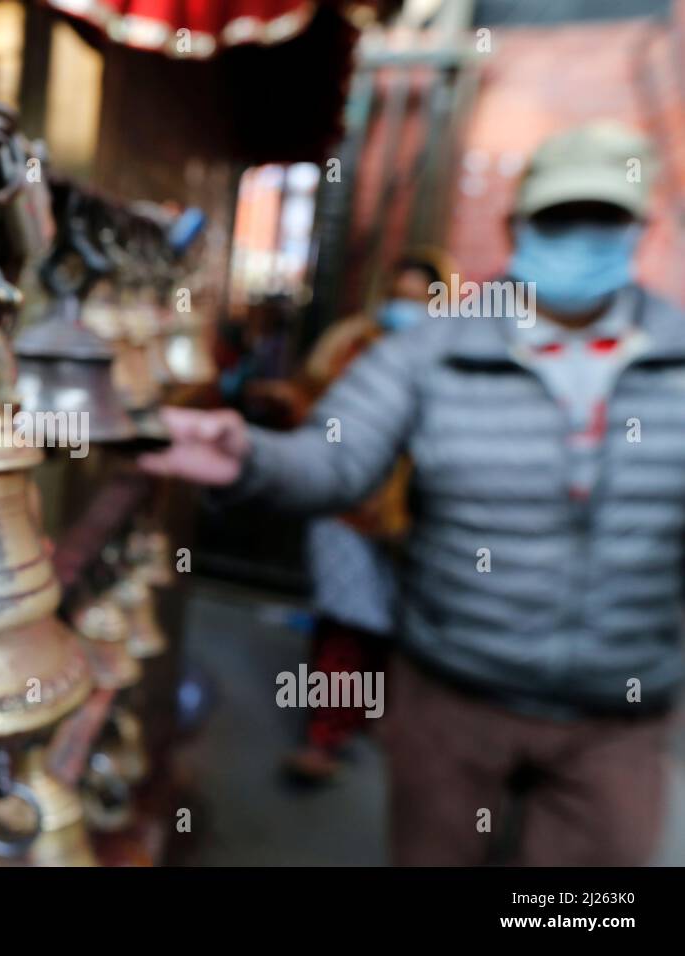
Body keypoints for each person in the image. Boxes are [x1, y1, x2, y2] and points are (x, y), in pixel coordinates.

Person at [141, 121, 680, 866]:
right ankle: (333, 734)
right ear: (517, 225)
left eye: (605, 218)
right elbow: (338, 458)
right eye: (561, 218)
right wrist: (251, 456)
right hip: (455, 690)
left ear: (640, 229)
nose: (581, 236)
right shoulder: (434, 348)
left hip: (617, 713)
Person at [271, 250, 452, 785]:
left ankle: (366, 721)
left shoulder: (447, 357)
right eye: (399, 297)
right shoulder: (349, 348)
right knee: (346, 625)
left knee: (390, 630)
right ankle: (325, 736)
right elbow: (314, 407)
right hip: (345, 513)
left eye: (419, 299)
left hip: (413, 518)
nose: (407, 307)